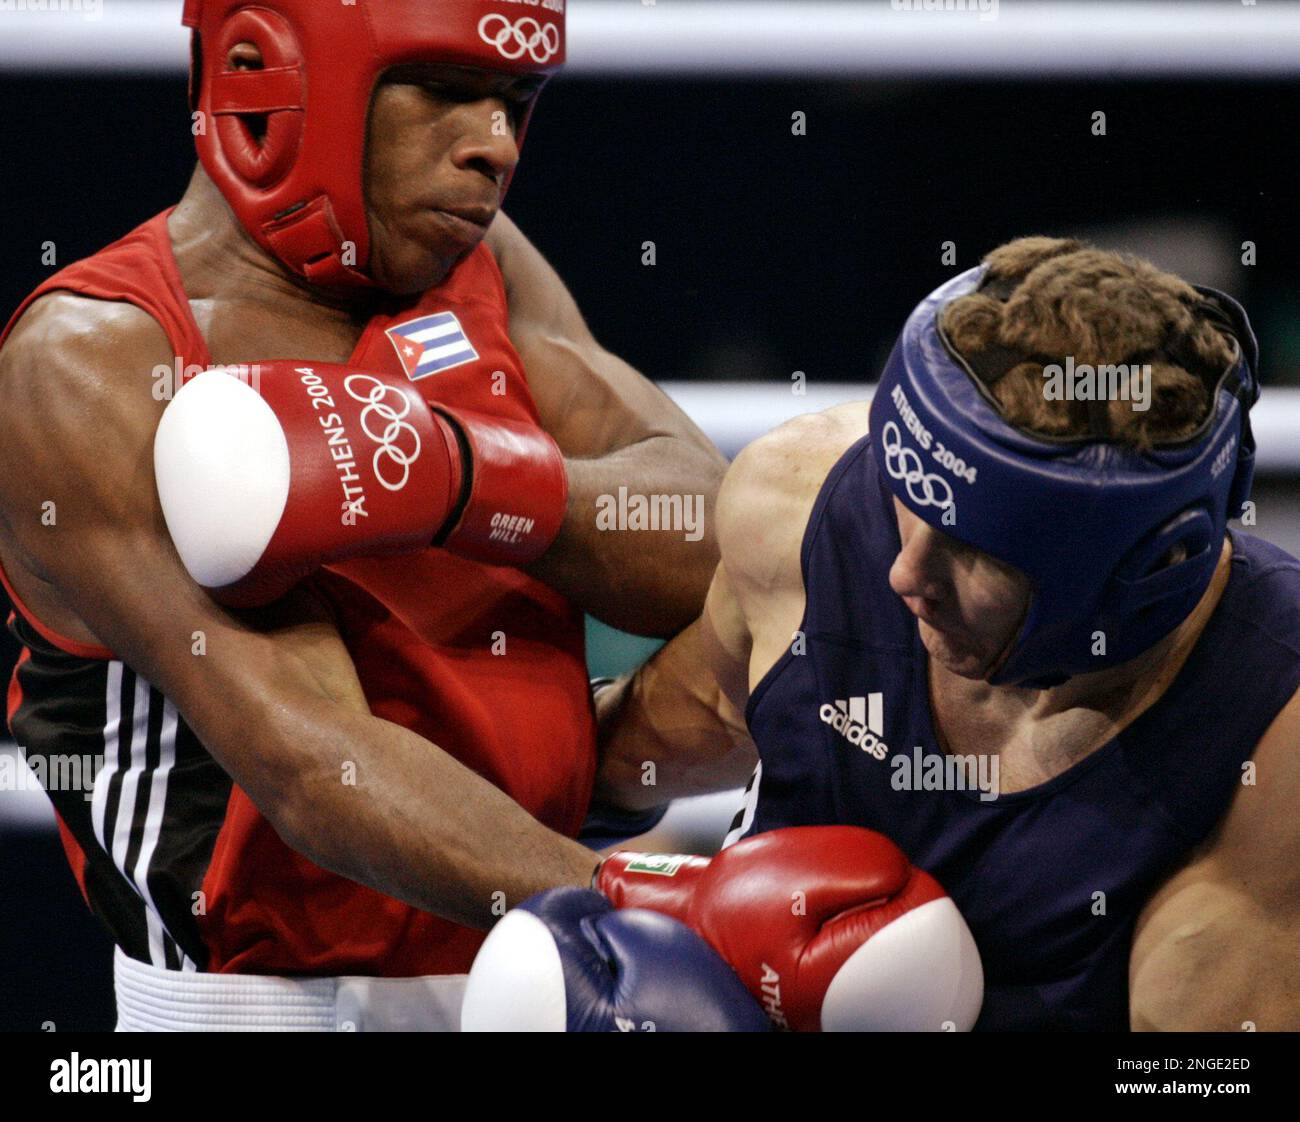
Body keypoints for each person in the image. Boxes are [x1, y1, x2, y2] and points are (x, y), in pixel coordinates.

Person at [0, 0, 729, 1030]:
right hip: (270, 1004)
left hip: (533, 947)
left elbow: (708, 532)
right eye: (441, 90)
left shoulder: (475, 266)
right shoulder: (95, 361)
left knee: (801, 508)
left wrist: (463, 480)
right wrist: (646, 911)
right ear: (263, 77)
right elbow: (314, 768)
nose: (495, 147)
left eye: (516, 101)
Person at [586, 238, 1300, 1031]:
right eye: (907, 496)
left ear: (1143, 568)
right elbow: (654, 743)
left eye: (970, 550)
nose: (905, 575)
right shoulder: (801, 504)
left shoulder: (1271, 734)